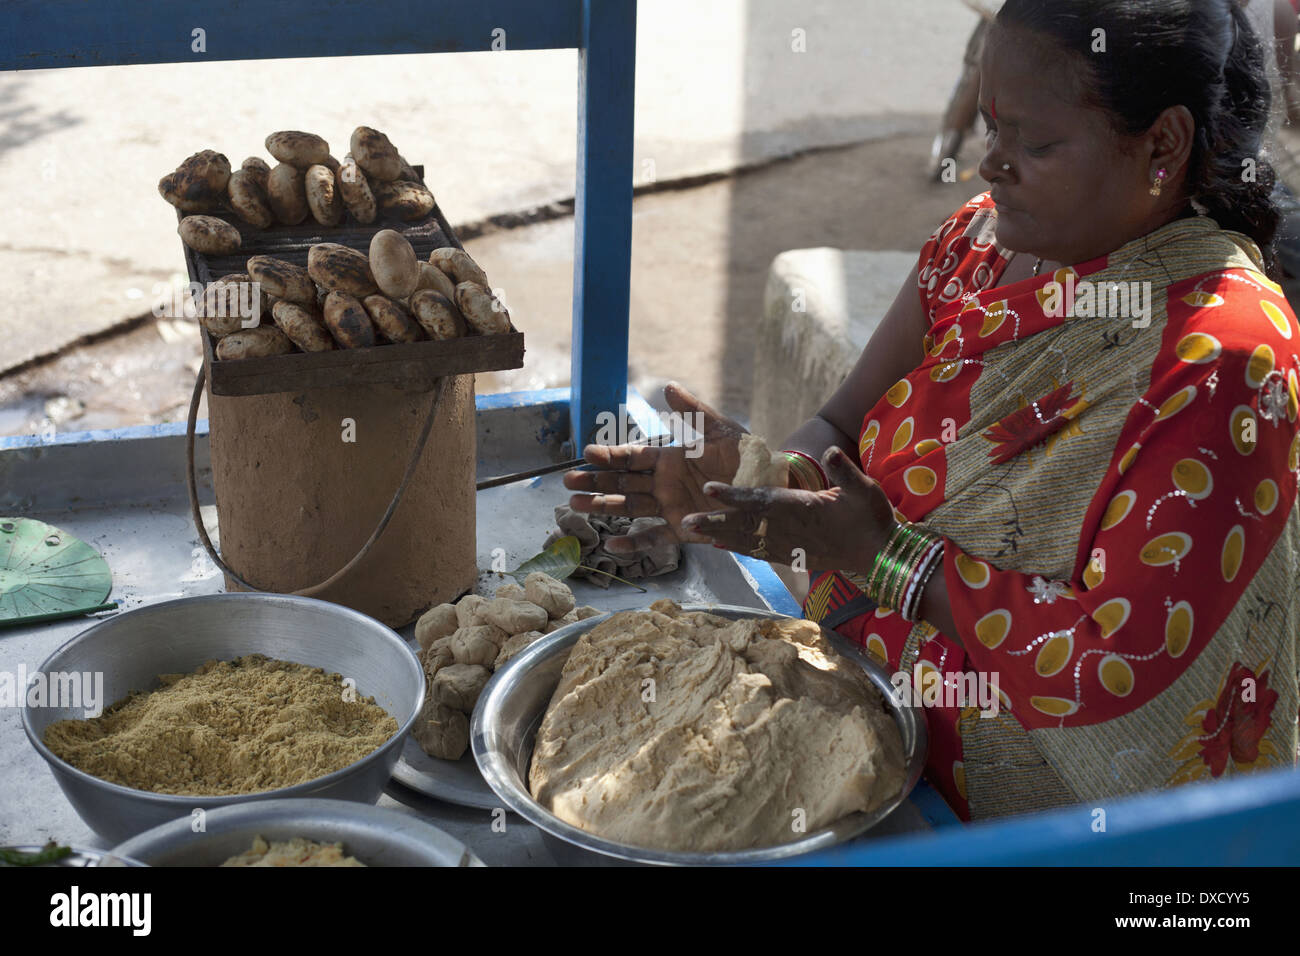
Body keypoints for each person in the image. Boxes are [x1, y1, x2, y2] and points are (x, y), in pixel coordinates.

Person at [565, 0, 1300, 821]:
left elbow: (1109, 667)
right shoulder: (976, 249)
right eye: (992, 127)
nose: (992, 166)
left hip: (1049, 820)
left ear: (1162, 144)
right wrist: (755, 485)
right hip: (865, 715)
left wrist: (887, 559)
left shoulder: (1224, 361)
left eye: (1037, 142)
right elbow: (841, 426)